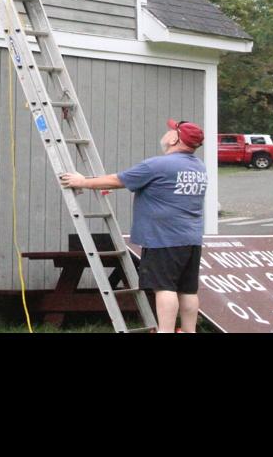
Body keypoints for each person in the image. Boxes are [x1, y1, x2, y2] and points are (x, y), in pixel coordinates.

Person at [59, 120, 208, 333]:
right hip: (191, 238)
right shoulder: (198, 167)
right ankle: (188, 330)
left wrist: (81, 182)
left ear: (175, 138)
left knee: (164, 288)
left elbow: (117, 180)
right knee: (187, 290)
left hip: (163, 239)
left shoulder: (158, 165)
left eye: (171, 130)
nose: (166, 133)